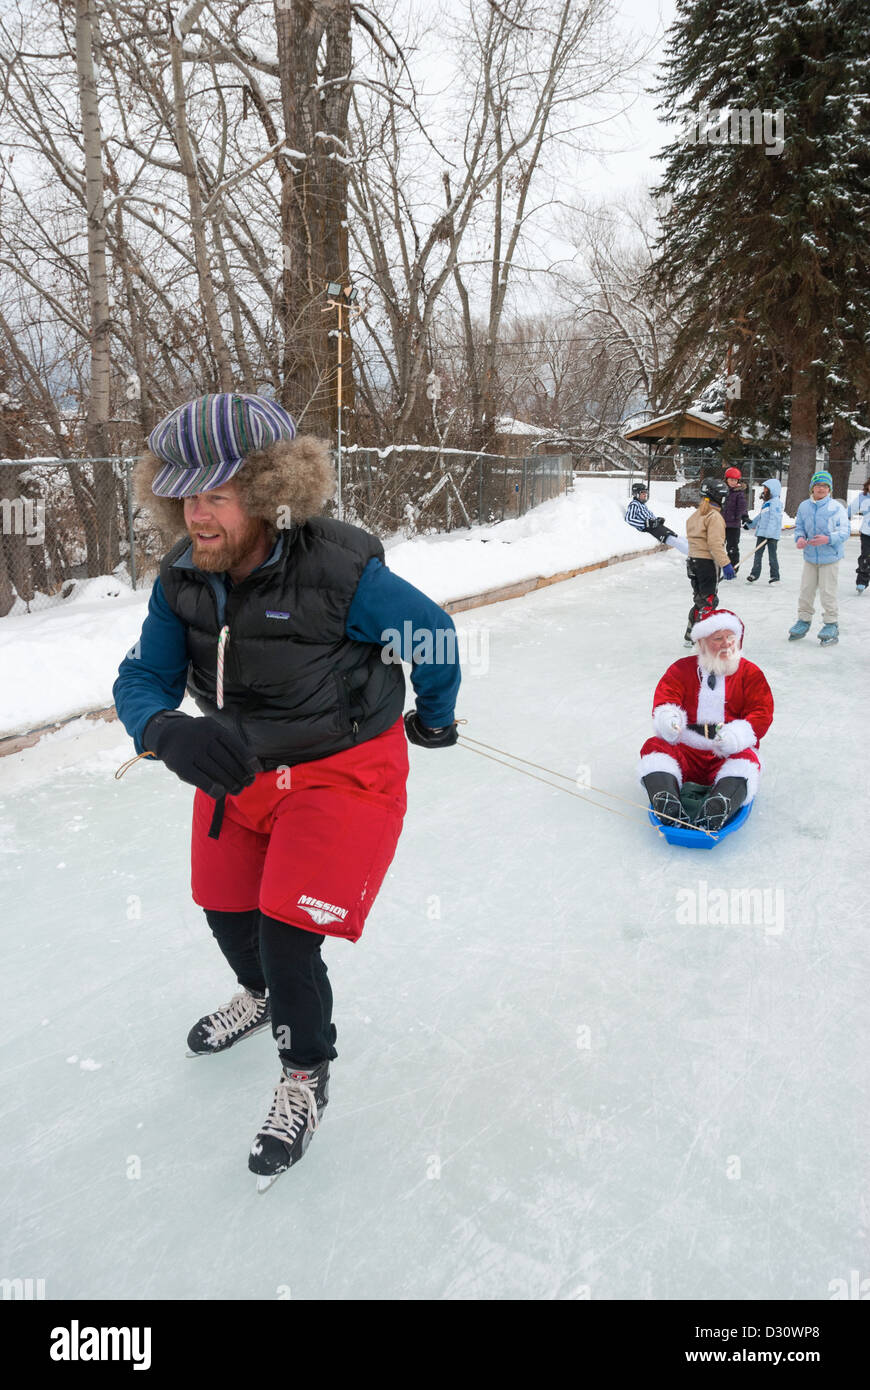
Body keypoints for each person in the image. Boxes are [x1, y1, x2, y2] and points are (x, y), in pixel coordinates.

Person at [113, 393, 461, 1189]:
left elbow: (434, 637)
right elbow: (143, 676)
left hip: (343, 766)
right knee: (223, 904)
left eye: (216, 496)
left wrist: (433, 718)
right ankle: (259, 995)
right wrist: (168, 731)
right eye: (184, 495)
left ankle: (305, 1074)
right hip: (240, 763)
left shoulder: (342, 572)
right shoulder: (182, 577)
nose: (196, 515)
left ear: (272, 489)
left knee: (288, 927)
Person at [638, 609, 774, 832]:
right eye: (718, 639)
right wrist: (669, 718)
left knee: (747, 759)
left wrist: (736, 736)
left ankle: (718, 808)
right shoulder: (681, 669)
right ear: (702, 643)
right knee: (654, 748)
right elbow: (666, 698)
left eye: (731, 637)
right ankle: (667, 803)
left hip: (725, 752)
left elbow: (761, 712)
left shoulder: (750, 673)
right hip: (686, 750)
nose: (726, 644)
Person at [788, 469, 850, 645]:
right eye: (818, 485)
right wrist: (799, 538)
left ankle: (831, 623)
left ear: (829, 489)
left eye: (824, 486)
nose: (821, 489)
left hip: (830, 557)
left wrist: (828, 539)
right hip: (810, 557)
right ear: (812, 488)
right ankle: (803, 620)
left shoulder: (836, 508)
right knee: (806, 590)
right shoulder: (804, 506)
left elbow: (845, 532)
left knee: (827, 592)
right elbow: (799, 526)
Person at [683, 477, 735, 645]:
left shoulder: (696, 515)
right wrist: (726, 564)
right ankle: (701, 638)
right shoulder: (714, 517)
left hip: (693, 562)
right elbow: (715, 544)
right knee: (709, 601)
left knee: (699, 600)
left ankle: (690, 635)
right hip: (706, 564)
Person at [624, 481, 688, 553]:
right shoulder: (634, 504)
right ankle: (696, 557)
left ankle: (699, 553)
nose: (645, 495)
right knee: (676, 541)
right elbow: (629, 519)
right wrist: (645, 524)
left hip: (657, 526)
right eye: (643, 493)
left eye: (646, 492)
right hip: (652, 529)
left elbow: (649, 518)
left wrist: (657, 520)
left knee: (678, 538)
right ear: (636, 494)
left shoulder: (643, 505)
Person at [744, 477, 783, 583]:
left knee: (772, 556)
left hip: (771, 535)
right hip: (762, 533)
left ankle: (775, 576)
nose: (764, 490)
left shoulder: (775, 502)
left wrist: (769, 533)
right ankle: (754, 574)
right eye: (764, 488)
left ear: (773, 489)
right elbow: (761, 516)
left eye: (766, 488)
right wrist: (750, 524)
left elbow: (774, 518)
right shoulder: (767, 502)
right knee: (758, 554)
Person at [722, 466, 749, 567]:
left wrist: (744, 516)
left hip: (733, 525)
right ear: (726, 479)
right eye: (731, 480)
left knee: (732, 548)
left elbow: (742, 506)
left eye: (735, 480)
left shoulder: (739, 493)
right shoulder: (721, 491)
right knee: (718, 546)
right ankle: (718, 565)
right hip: (720, 524)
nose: (733, 482)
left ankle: (733, 567)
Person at [847, 478, 870, 593]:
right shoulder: (863, 497)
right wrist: (844, 518)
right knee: (866, 557)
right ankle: (862, 580)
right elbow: (851, 509)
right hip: (866, 533)